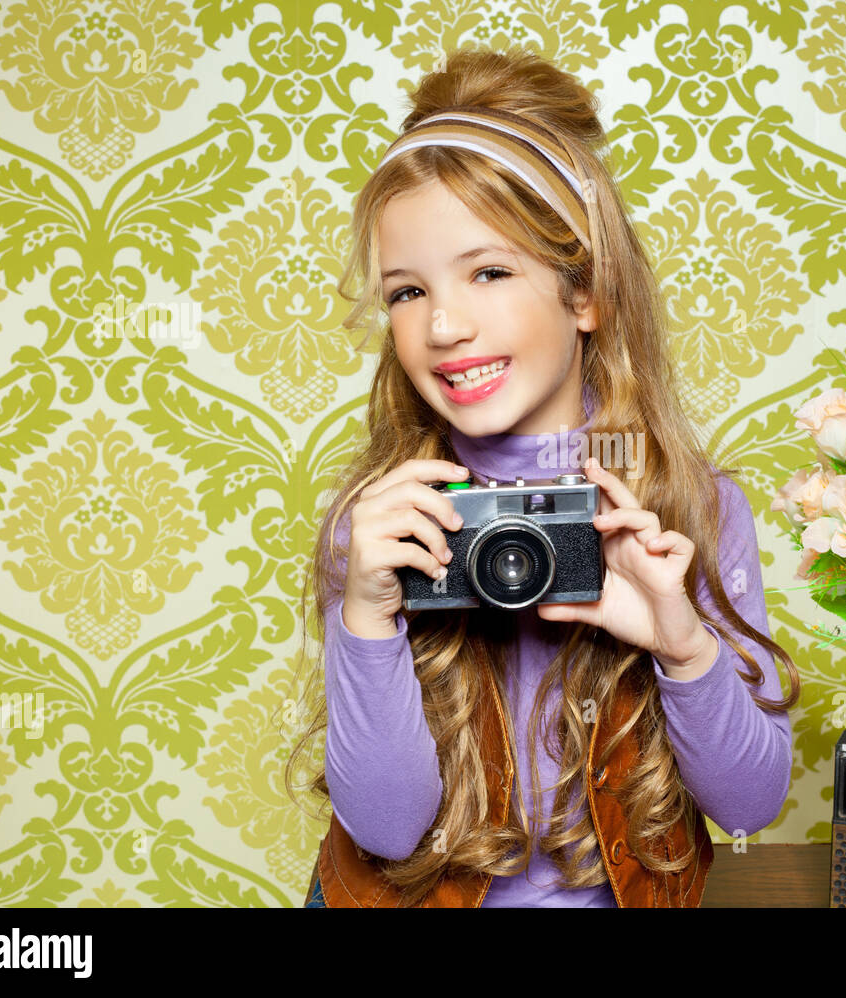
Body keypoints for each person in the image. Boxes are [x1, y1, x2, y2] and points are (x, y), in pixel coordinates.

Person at [289, 46, 801, 907]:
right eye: (406, 292)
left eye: (490, 272)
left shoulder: (689, 506)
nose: (444, 326)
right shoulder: (387, 520)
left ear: (585, 294)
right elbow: (385, 829)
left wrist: (681, 646)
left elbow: (749, 806)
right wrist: (369, 615)